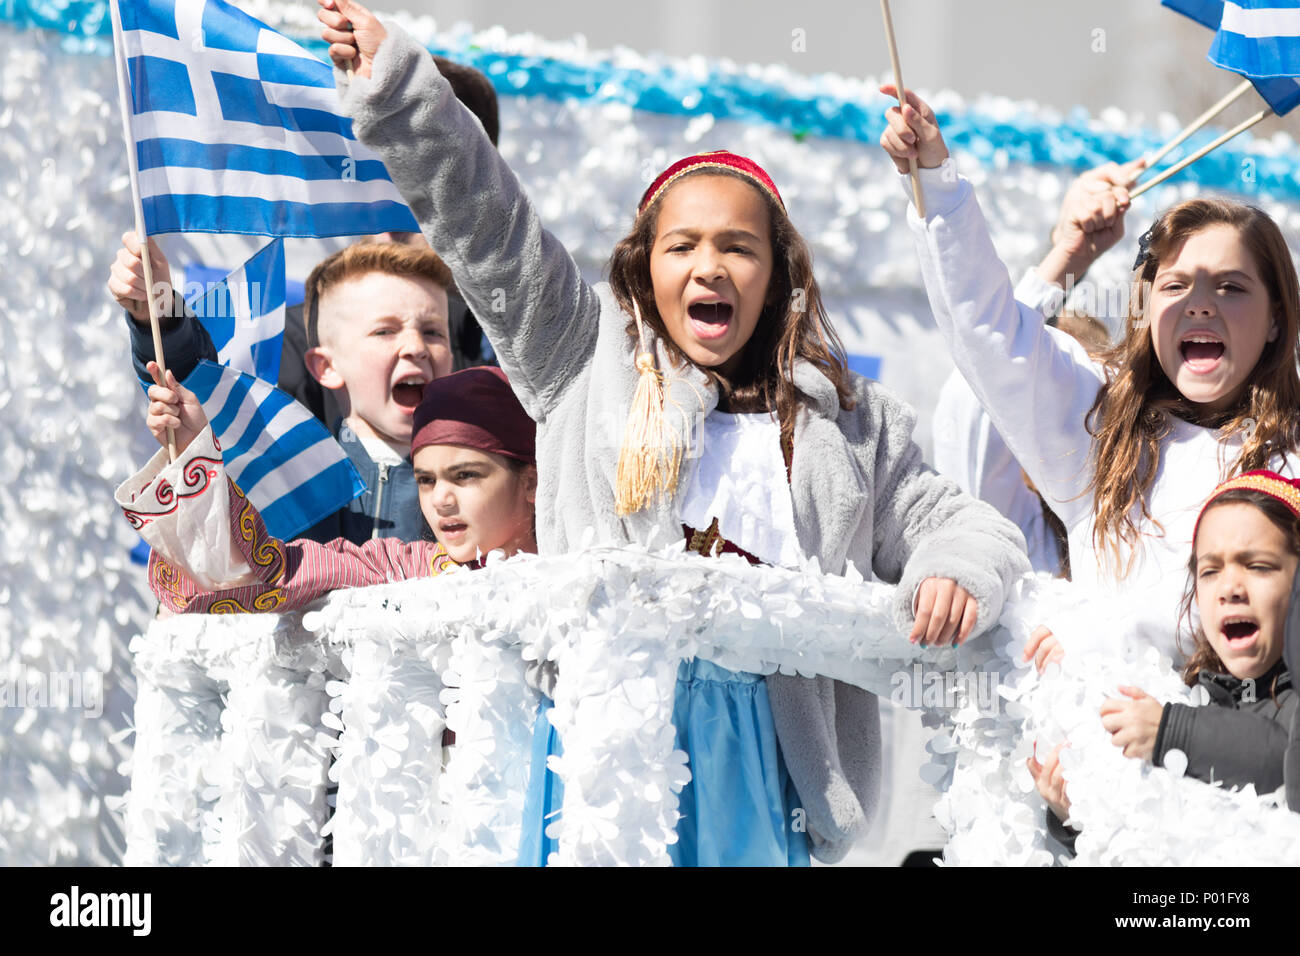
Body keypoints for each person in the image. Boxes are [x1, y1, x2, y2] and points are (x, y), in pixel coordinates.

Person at [316, 0, 1031, 865]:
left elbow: (957, 522)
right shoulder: (582, 360)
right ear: (644, 271)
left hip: (771, 767)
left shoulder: (851, 420)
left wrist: (953, 570)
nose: (709, 266)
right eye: (681, 246)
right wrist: (400, 89)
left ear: (776, 274)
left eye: (738, 247)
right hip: (602, 747)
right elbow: (485, 226)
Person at [881, 87, 1300, 665]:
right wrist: (935, 181)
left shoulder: (1291, 459)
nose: (1201, 306)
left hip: (1226, 752)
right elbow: (992, 341)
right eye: (1176, 286)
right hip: (1083, 750)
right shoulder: (1104, 433)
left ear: (1278, 319)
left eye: (1230, 287)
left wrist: (1115, 636)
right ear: (1148, 310)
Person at [110, 240, 458, 545]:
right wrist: (159, 312)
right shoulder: (285, 468)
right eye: (385, 331)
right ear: (327, 367)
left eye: (433, 332)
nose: (417, 347)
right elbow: (199, 382)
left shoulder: (483, 478)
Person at [115, 364, 536, 613]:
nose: (442, 500)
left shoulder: (584, 566)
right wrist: (195, 453)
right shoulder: (405, 569)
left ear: (531, 480)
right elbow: (273, 574)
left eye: (466, 476)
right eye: (426, 479)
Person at [1027, 471, 1300, 850]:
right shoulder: (1192, 695)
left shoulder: (1181, 721)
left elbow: (1280, 760)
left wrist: (1172, 733)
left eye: (1257, 566)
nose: (1230, 589)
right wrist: (1081, 816)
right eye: (1210, 571)